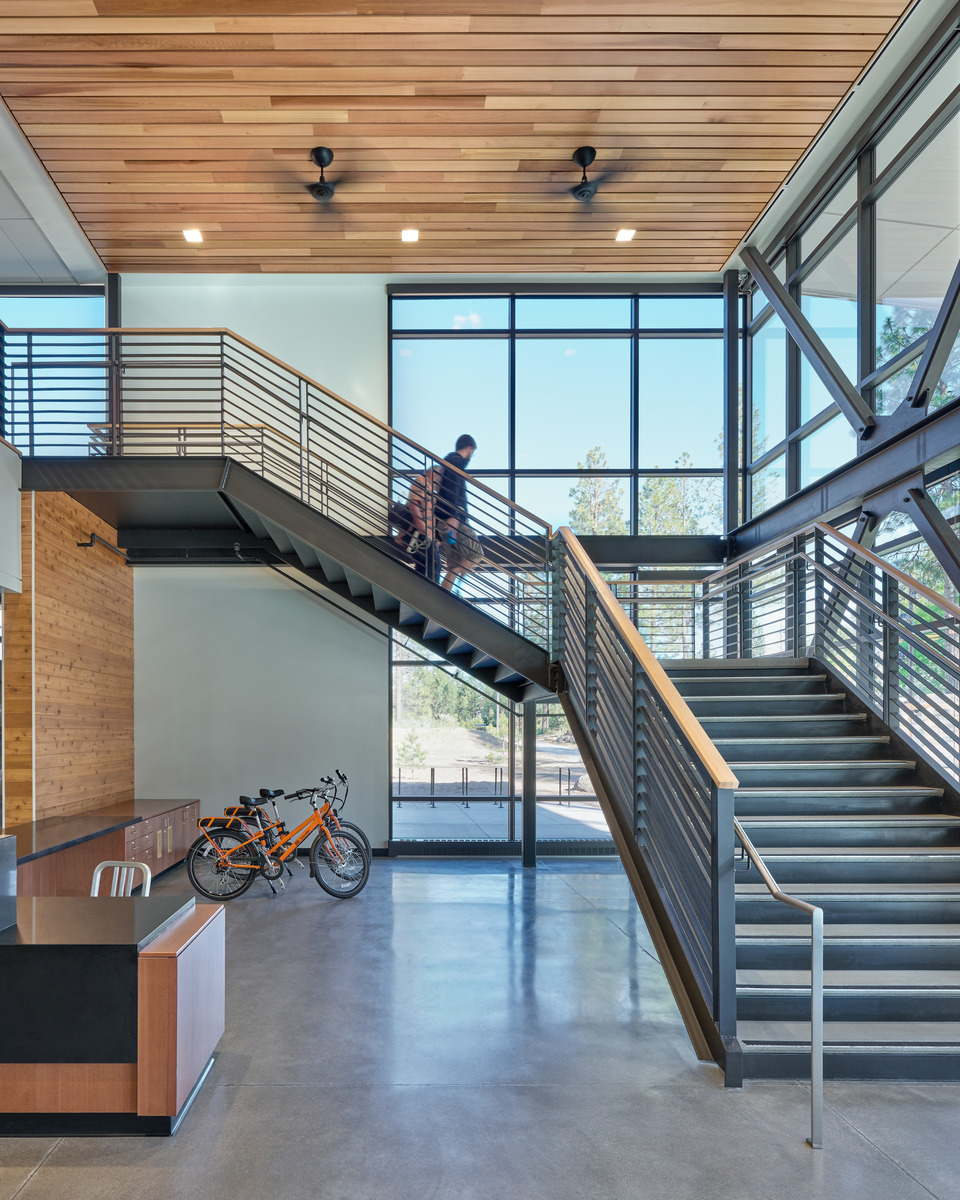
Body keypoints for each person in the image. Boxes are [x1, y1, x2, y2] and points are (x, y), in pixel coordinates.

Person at [435, 434, 477, 591]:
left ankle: (444, 597)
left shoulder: (447, 462)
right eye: (472, 452)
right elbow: (454, 489)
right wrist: (455, 516)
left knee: (454, 564)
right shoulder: (456, 462)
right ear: (469, 448)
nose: (471, 456)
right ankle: (459, 585)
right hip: (453, 521)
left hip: (445, 520)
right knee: (475, 554)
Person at [404, 464, 440, 583]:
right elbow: (413, 503)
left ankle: (419, 595)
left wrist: (434, 537)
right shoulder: (422, 480)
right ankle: (432, 595)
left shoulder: (430, 488)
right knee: (434, 564)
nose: (441, 481)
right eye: (440, 477)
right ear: (433, 474)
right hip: (420, 532)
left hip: (426, 534)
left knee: (423, 566)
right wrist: (420, 524)